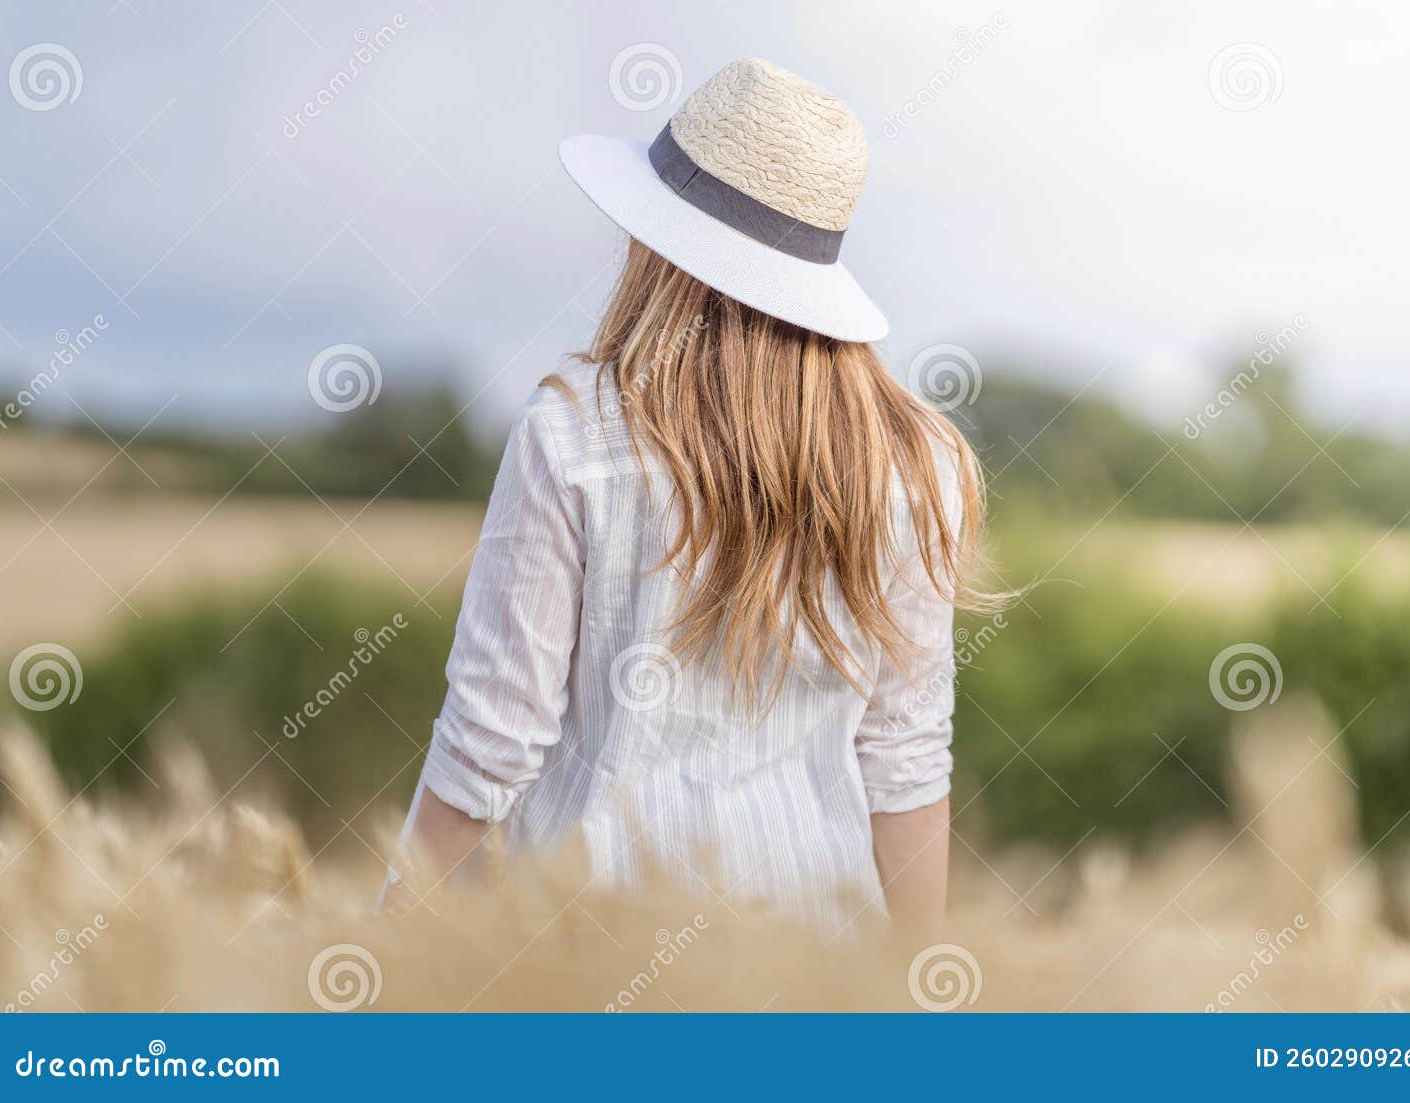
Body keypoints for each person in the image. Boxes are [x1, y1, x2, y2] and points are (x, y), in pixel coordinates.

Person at [394, 57, 997, 941]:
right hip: (820, 973)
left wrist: (378, 955)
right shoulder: (918, 460)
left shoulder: (569, 432)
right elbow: (904, 761)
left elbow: (491, 740)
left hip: (585, 956)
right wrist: (919, 992)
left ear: (657, 243)